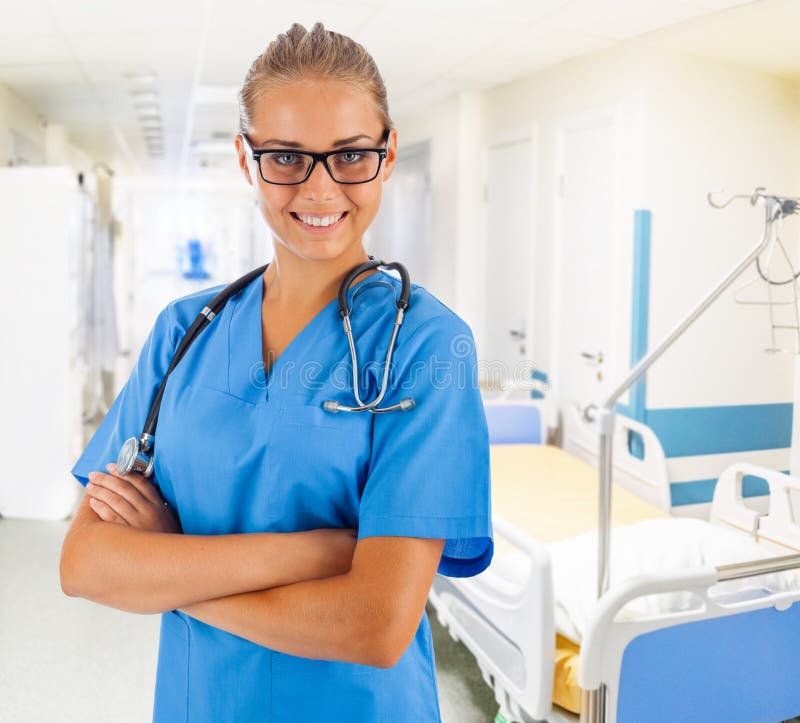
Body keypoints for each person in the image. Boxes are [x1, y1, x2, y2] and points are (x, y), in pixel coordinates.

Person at [60, 21, 493, 723]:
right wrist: (318, 552)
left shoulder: (427, 347)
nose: (321, 188)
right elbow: (84, 564)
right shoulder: (182, 333)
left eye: (350, 154)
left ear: (385, 156)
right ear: (245, 158)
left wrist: (167, 570)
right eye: (287, 156)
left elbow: (376, 626)